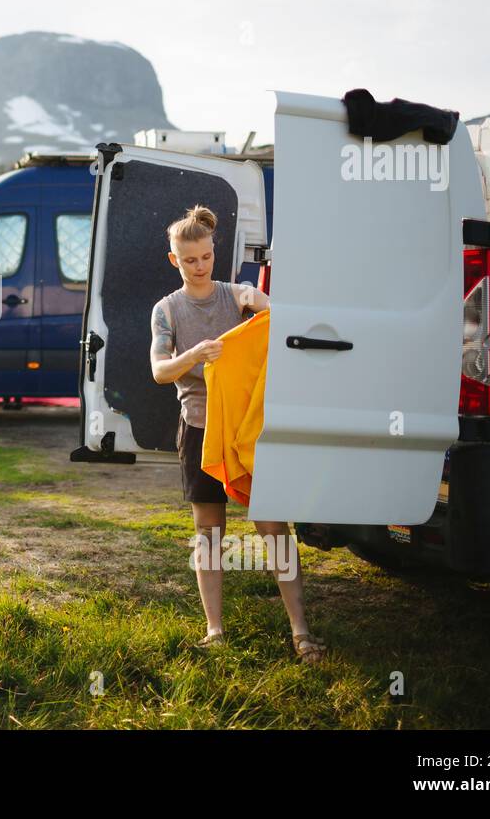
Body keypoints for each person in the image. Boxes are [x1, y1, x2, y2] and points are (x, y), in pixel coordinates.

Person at [148, 204, 327, 664]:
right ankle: (214, 630)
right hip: (200, 429)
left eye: (205, 257)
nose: (199, 266)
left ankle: (301, 632)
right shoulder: (166, 310)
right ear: (174, 260)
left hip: (248, 430)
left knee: (273, 527)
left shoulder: (236, 296)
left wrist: (262, 303)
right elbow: (159, 370)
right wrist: (195, 355)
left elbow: (284, 326)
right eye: (189, 260)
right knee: (209, 532)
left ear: (213, 251)